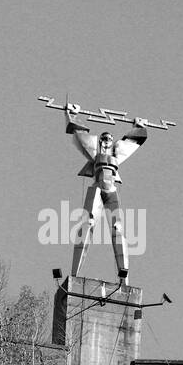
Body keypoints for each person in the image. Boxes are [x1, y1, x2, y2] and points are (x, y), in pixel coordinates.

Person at [65, 111, 148, 282]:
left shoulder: (117, 153)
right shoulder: (94, 151)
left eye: (109, 139)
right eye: (104, 138)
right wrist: (71, 114)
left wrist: (139, 127)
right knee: (87, 223)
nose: (106, 141)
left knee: (118, 228)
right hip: (96, 188)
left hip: (111, 190)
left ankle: (124, 276)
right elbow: (79, 133)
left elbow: (134, 140)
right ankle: (75, 275)